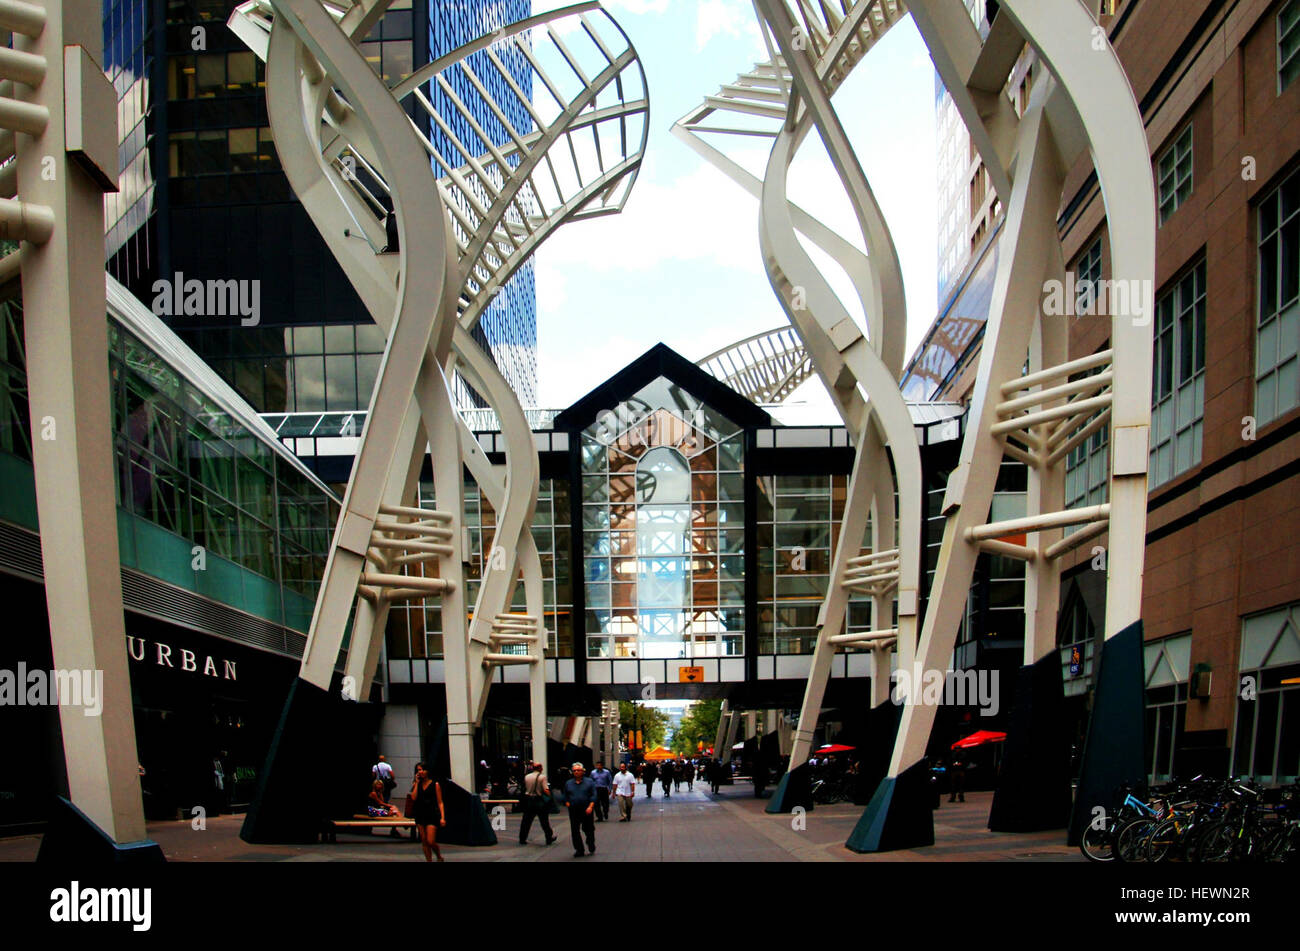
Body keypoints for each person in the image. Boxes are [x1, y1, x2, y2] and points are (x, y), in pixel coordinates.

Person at [410, 762, 446, 862]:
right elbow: (413, 797)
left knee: (431, 841)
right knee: (424, 841)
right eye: (418, 770)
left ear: (427, 771)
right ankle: (429, 860)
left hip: (431, 814)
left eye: (422, 769)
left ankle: (438, 856)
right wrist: (416, 783)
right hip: (420, 814)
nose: (420, 772)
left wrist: (442, 817)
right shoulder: (417, 784)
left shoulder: (435, 784)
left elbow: (440, 802)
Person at [562, 762, 597, 857]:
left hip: (586, 809)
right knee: (575, 830)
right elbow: (565, 795)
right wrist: (567, 802)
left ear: (583, 771)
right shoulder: (568, 783)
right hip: (574, 810)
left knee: (588, 829)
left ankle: (590, 843)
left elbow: (594, 795)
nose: (576, 772)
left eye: (578, 770)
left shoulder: (589, 782)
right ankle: (579, 849)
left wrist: (591, 806)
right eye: (574, 771)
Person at [518, 761, 557, 846]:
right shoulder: (542, 777)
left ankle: (522, 838)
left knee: (526, 821)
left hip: (529, 801)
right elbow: (546, 790)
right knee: (544, 821)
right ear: (540, 768)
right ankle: (549, 838)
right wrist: (550, 796)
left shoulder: (527, 776)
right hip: (539, 801)